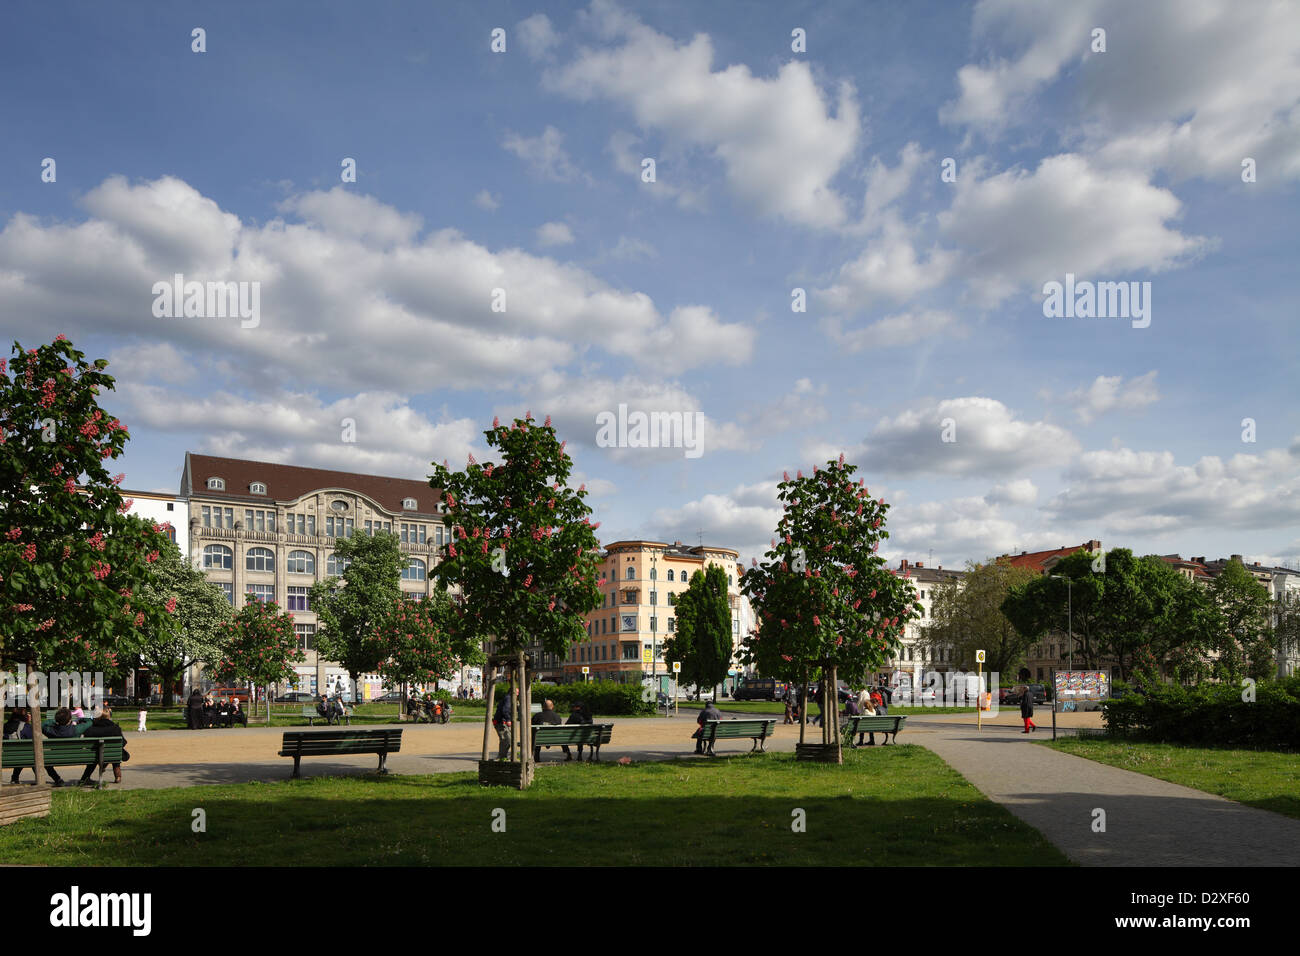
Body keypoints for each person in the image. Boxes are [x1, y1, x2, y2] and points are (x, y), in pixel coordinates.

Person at [78, 705, 128, 786]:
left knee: (95, 756)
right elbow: (123, 743)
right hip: (112, 754)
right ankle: (118, 777)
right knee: (115, 752)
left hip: (93, 755)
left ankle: (85, 778)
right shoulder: (115, 728)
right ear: (108, 716)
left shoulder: (90, 729)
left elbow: (86, 742)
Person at [41, 707, 84, 787]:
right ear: (70, 719)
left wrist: (54, 721)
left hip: (55, 757)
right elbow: (89, 722)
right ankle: (84, 778)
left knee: (43, 759)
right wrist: (80, 719)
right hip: (78, 757)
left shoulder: (51, 731)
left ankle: (57, 779)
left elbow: (42, 725)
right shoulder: (77, 729)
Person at [4, 707, 34, 783]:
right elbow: (32, 740)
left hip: (7, 755)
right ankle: (55, 779)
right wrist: (28, 722)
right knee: (32, 756)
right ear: (24, 716)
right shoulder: (25, 726)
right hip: (23, 756)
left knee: (21, 754)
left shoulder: (5, 726)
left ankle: (14, 778)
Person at [493, 683, 517, 760]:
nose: (518, 695)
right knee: (507, 739)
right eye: (517, 693)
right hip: (501, 722)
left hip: (500, 721)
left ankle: (502, 756)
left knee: (505, 740)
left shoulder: (509, 698)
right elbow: (505, 710)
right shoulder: (509, 698)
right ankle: (502, 757)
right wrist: (508, 719)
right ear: (512, 692)